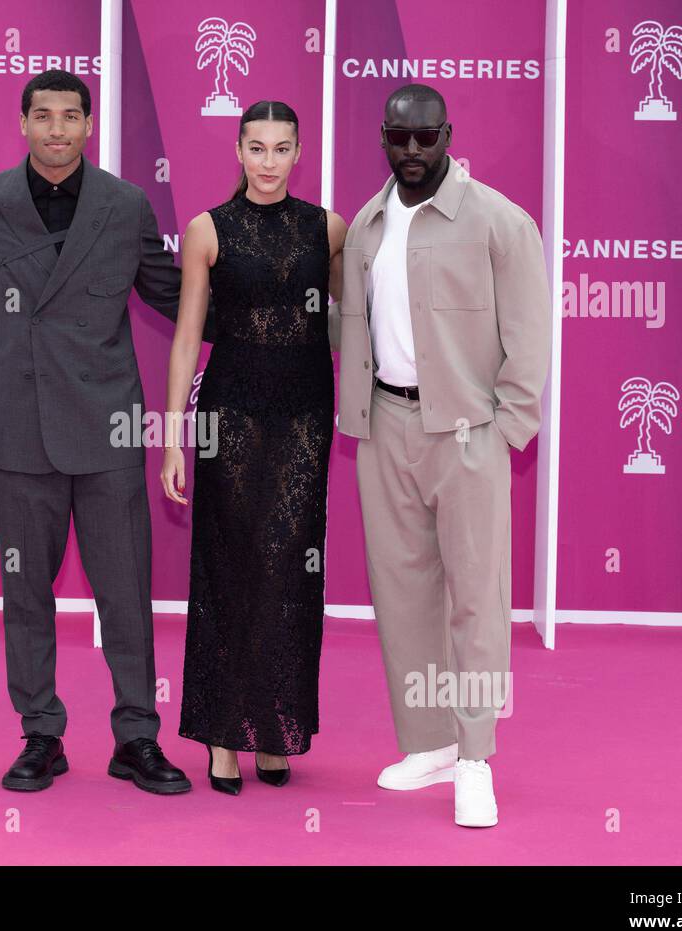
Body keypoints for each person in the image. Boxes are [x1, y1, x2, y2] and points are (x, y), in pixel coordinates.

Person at [0, 69, 194, 794]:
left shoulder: (126, 204)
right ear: (23, 123)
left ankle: (136, 737)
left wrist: (269, 300)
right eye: (43, 115)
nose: (56, 128)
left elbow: (175, 296)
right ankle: (40, 735)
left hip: (107, 425)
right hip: (17, 429)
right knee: (25, 591)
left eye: (70, 116)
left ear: (89, 124)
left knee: (126, 590)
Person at [329, 83, 551, 826]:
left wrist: (504, 430)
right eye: (400, 137)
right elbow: (352, 325)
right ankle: (429, 744)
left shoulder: (498, 221)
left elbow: (531, 335)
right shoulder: (367, 224)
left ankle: (476, 758)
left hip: (466, 434)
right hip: (384, 427)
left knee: (477, 598)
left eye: (426, 136)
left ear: (448, 136)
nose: (414, 150)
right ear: (383, 140)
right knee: (403, 595)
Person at [162, 101, 347, 794]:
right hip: (231, 413)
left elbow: (356, 313)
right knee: (229, 564)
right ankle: (221, 733)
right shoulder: (207, 230)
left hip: (305, 414)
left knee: (288, 570)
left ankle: (275, 728)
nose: (269, 162)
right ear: (238, 151)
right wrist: (175, 436)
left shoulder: (328, 228)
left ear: (299, 152)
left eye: (282, 148)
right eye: (257, 148)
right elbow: (188, 336)